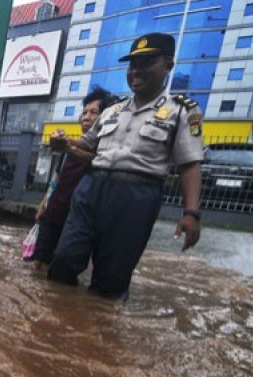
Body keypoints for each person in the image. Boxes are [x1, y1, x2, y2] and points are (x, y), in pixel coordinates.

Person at [47, 32, 203, 299]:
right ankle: (58, 321)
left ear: (168, 65)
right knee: (62, 260)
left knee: (111, 279)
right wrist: (63, 142)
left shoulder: (183, 111)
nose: (136, 71)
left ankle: (95, 330)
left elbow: (190, 163)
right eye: (132, 65)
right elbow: (87, 144)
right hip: (91, 189)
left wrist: (192, 213)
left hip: (136, 197)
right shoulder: (112, 111)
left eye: (146, 63)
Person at [30, 87, 117, 268]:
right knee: (39, 263)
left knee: (64, 263)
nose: (86, 117)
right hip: (54, 212)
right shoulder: (68, 146)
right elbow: (57, 176)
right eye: (84, 112)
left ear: (104, 118)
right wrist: (43, 203)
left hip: (78, 219)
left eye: (94, 112)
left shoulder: (103, 151)